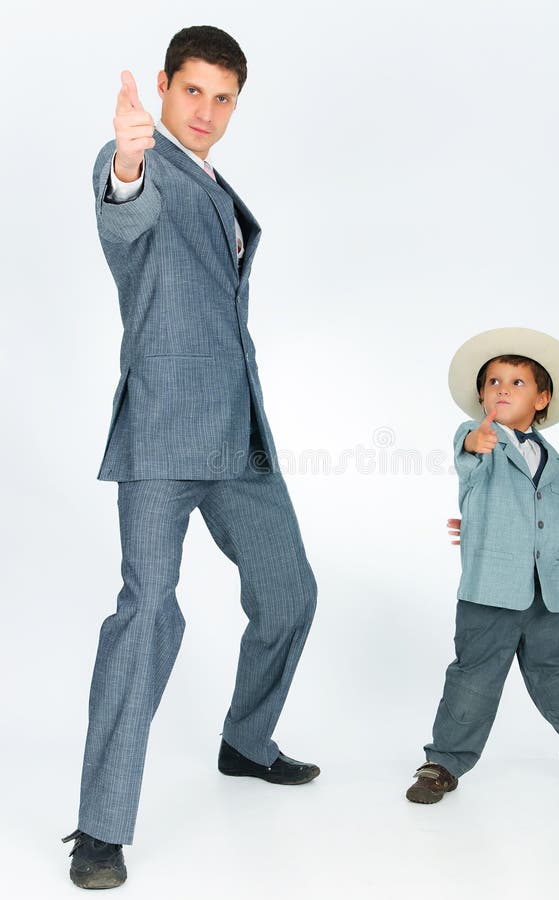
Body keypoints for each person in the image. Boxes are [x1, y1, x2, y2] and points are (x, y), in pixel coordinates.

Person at [63, 25, 319, 890]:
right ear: (164, 88)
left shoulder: (216, 180)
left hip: (238, 434)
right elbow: (123, 220)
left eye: (222, 98)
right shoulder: (139, 160)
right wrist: (127, 168)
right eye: (191, 91)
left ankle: (245, 744)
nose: (204, 111)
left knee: (289, 594)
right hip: (165, 431)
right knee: (148, 613)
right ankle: (101, 830)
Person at [406, 327, 559, 806]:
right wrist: (477, 440)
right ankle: (443, 763)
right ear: (479, 395)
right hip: (489, 589)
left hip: (547, 588)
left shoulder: (551, 456)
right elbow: (470, 463)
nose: (502, 389)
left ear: (542, 398)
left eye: (516, 383)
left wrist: (476, 524)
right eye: (493, 382)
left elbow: (538, 514)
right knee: (475, 674)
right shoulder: (478, 439)